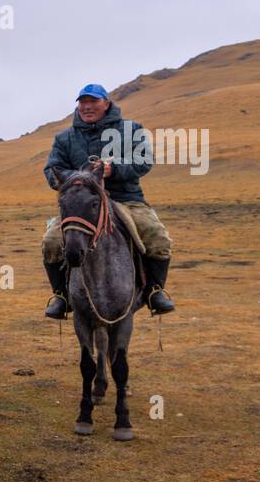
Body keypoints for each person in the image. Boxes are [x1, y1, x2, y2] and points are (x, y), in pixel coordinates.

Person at [42, 83, 175, 318]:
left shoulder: (131, 129)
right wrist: (83, 179)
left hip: (126, 198)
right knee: (52, 242)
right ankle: (61, 295)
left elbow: (143, 161)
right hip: (81, 204)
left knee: (157, 235)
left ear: (106, 103)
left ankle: (155, 290)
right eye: (82, 102)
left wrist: (113, 170)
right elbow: (52, 170)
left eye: (93, 101)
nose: (87, 106)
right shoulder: (65, 138)